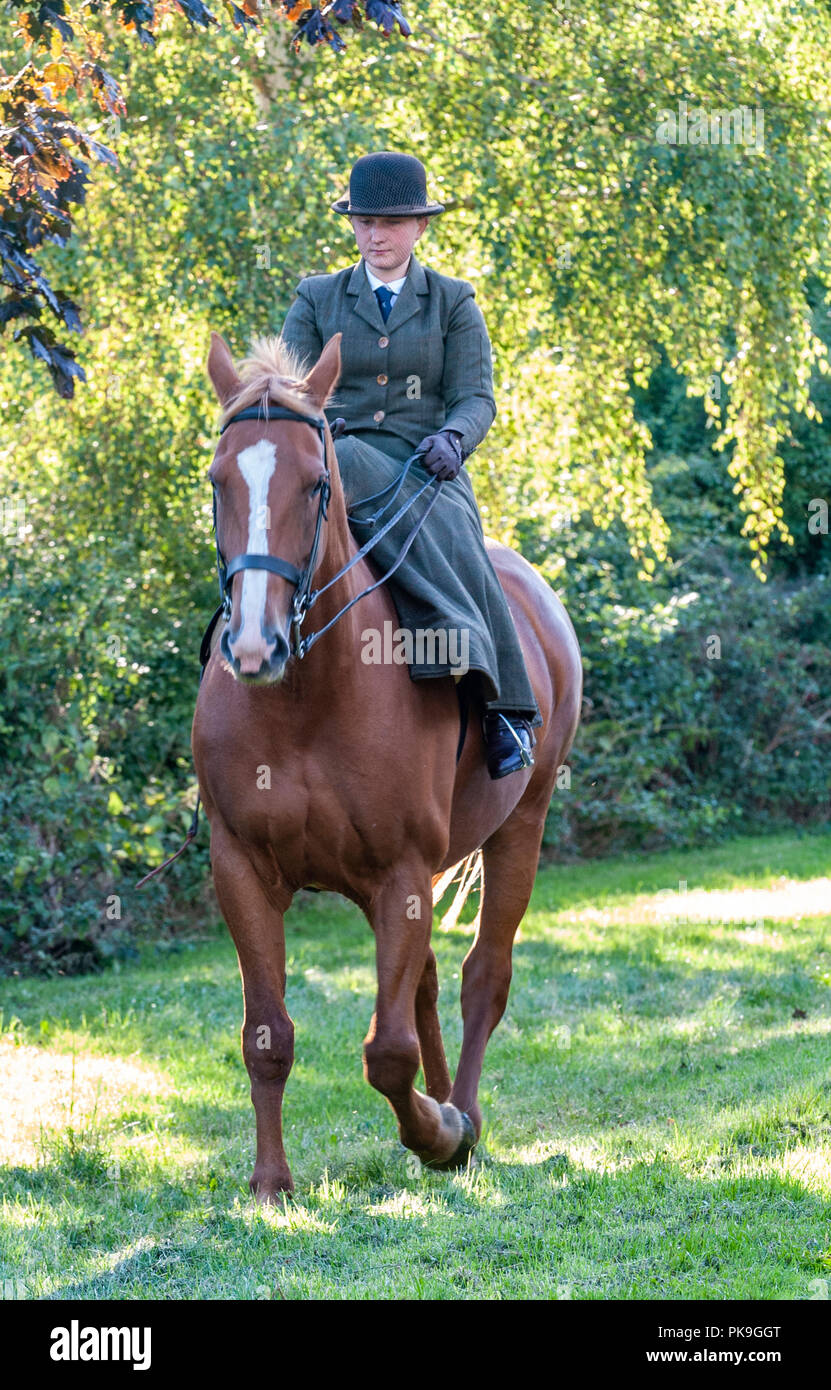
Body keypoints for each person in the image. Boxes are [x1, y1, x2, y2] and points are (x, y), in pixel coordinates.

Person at [279, 150, 540, 778]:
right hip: (334, 463)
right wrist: (313, 421)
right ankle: (251, 638)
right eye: (364, 221)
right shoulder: (315, 298)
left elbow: (476, 396)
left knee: (466, 543)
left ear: (420, 226)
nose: (376, 235)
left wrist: (454, 437)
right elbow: (289, 386)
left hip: (429, 469)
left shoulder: (454, 302)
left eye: (391, 223)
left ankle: (506, 707)